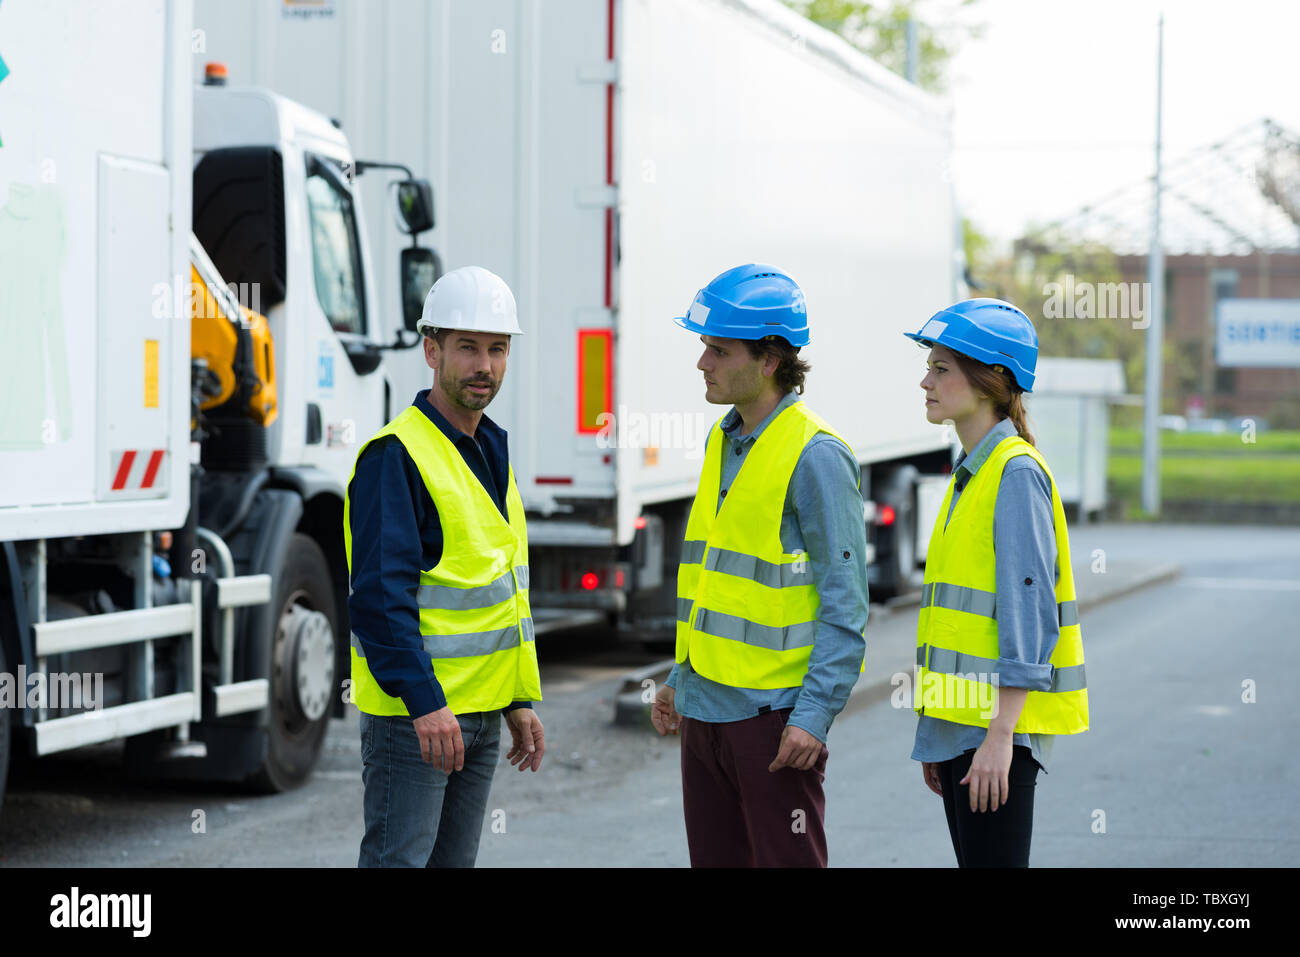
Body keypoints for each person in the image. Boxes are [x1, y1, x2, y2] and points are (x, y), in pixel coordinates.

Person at [650, 264, 869, 868]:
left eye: (718, 350)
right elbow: (712, 579)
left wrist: (815, 716)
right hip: (706, 713)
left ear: (770, 359)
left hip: (774, 724)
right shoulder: (725, 439)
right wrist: (679, 677)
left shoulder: (817, 455)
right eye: (703, 348)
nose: (703, 363)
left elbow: (845, 603)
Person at [345, 265, 545, 868]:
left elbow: (502, 586)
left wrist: (518, 698)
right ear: (431, 351)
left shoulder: (491, 447)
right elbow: (380, 601)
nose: (484, 365)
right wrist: (425, 702)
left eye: (497, 349)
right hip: (419, 720)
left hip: (480, 713)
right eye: (467, 348)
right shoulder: (395, 455)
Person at [904, 298, 1089, 868]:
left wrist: (1000, 736)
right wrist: (939, 731)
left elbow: (1030, 613)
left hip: (995, 733)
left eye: (941, 369)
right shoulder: (975, 470)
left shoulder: (1013, 473)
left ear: (992, 379)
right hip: (963, 729)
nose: (925, 381)